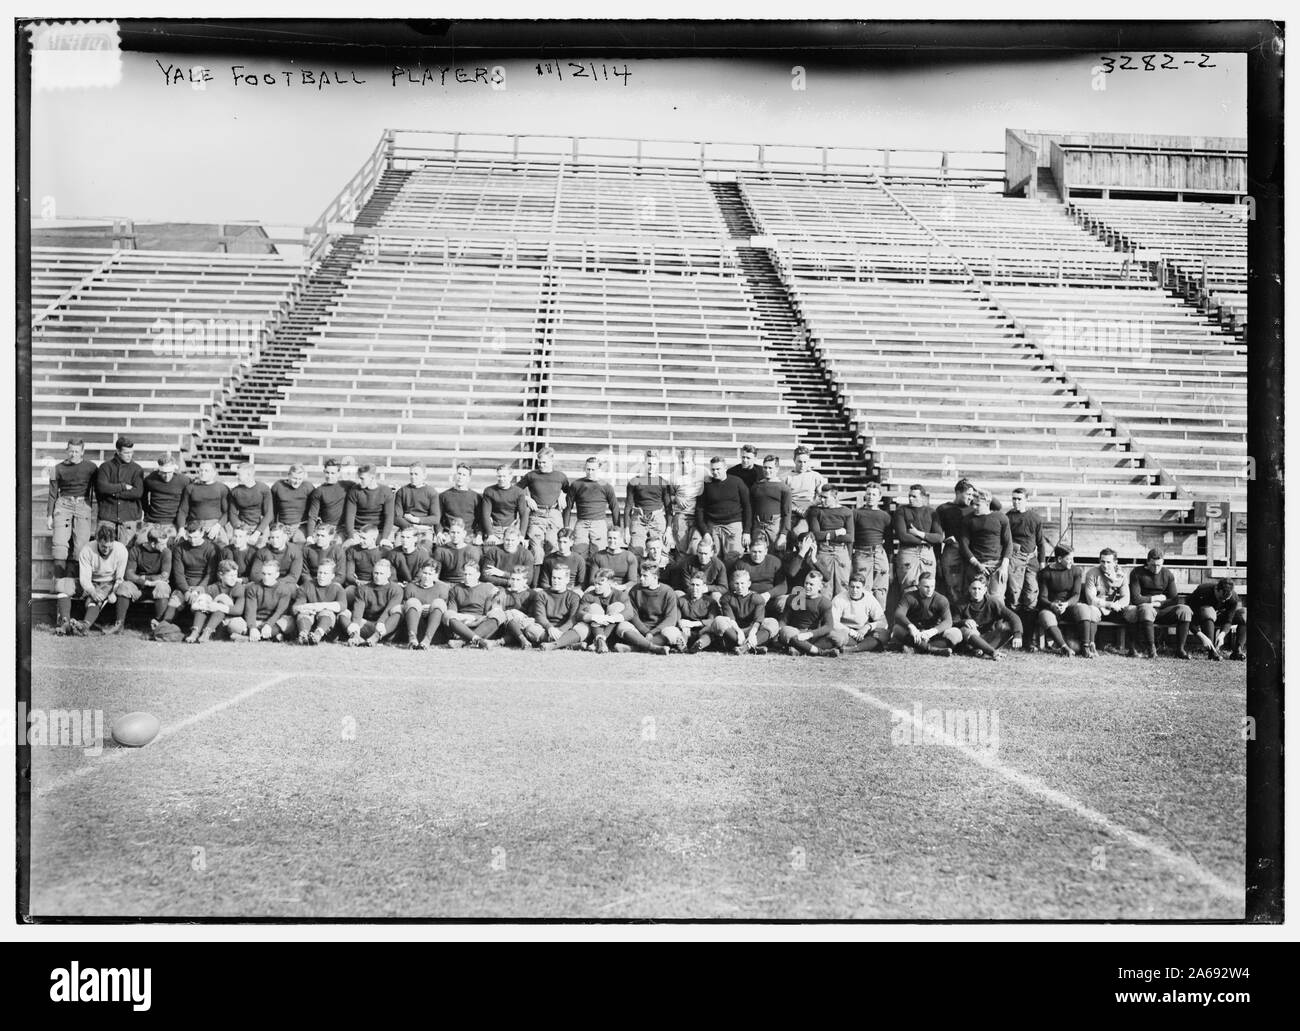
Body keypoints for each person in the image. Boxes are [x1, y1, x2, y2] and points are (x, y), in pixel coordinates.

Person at [53, 525, 130, 636]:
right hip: (89, 581)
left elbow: (119, 577)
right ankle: (65, 623)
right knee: (62, 585)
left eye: (109, 546)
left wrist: (113, 592)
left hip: (108, 583)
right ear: (97, 540)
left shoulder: (121, 550)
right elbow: (84, 578)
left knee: (97, 598)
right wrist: (92, 591)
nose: (106, 550)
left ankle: (84, 626)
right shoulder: (87, 549)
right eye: (104, 546)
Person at [1126, 548, 1192, 659]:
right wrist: (1155, 598)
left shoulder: (1167, 574)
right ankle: (1151, 649)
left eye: (1159, 565)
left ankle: (1180, 649)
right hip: (1144, 612)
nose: (1156, 568)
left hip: (1162, 609)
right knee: (1147, 608)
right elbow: (1136, 599)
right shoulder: (1137, 573)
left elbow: (1173, 599)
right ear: (1147, 562)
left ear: (1163, 563)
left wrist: (1158, 604)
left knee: (1185, 610)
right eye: (1153, 565)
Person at [47, 438, 98, 581]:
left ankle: (75, 582)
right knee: (59, 543)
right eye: (71, 451)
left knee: (81, 545)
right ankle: (58, 581)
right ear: (66, 450)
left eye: (77, 451)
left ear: (83, 452)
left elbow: (98, 490)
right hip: (63, 504)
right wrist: (49, 515)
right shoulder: (56, 468)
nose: (73, 454)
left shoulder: (91, 467)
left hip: (83, 505)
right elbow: (52, 493)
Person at [1035, 543, 1091, 658]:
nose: (1072, 562)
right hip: (1052, 607)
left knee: (1084, 608)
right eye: (1069, 559)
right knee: (1045, 615)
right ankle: (1064, 648)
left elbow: (1076, 594)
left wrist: (1066, 604)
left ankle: (1086, 647)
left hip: (1070, 606)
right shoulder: (1045, 573)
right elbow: (1042, 597)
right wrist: (1052, 605)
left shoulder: (1076, 571)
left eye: (1072, 558)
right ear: (1059, 559)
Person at [613, 565, 683, 654]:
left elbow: (671, 619)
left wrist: (652, 632)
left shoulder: (668, 591)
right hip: (640, 630)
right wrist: (646, 632)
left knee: (673, 633)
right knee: (622, 626)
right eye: (641, 575)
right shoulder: (635, 590)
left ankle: (633, 648)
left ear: (655, 577)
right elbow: (633, 615)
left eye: (645, 576)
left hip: (660, 630)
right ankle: (654, 648)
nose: (641, 579)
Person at [890, 571, 962, 655]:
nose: (930, 590)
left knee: (956, 633)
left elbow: (948, 621)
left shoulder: (941, 599)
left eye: (932, 586)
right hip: (915, 634)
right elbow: (899, 614)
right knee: (897, 629)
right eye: (926, 587)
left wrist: (932, 631)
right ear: (919, 586)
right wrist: (911, 627)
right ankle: (932, 650)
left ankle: (917, 649)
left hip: (932, 633)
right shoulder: (909, 596)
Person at [518, 447, 569, 562]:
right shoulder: (531, 475)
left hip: (554, 514)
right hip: (537, 515)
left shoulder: (560, 476)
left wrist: (563, 495)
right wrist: (527, 498)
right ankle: (537, 579)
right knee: (537, 549)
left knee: (554, 546)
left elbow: (569, 491)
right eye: (539, 462)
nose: (541, 465)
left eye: (544, 462)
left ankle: (552, 577)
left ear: (552, 461)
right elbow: (515, 490)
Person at [960, 488, 1012, 603]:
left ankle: (999, 621)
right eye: (973, 504)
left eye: (978, 505)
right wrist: (977, 564)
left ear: (987, 503)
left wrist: (1003, 566)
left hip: (997, 565)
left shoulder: (1001, 518)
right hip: (977, 565)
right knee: (975, 598)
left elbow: (1008, 543)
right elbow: (964, 545)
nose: (974, 507)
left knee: (996, 600)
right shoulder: (968, 520)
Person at [954, 574, 1023, 660]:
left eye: (980, 589)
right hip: (970, 639)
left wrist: (1017, 635)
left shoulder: (992, 602)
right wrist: (964, 622)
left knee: (1007, 627)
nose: (976, 591)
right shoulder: (961, 603)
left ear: (985, 590)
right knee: (965, 630)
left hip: (988, 637)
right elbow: (953, 621)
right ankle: (992, 652)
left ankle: (982, 651)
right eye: (974, 588)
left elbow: (1013, 616)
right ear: (969, 589)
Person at [696, 456, 751, 559]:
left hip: (733, 526)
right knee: (713, 558)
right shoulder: (706, 485)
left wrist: (747, 531)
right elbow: (699, 509)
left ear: (725, 468)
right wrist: (705, 532)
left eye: (718, 469)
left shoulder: (737, 482)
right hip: (713, 526)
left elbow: (747, 506)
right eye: (713, 469)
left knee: (734, 557)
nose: (715, 472)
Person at [714, 568, 780, 655]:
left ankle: (746, 647)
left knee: (772, 622)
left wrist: (752, 634)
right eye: (737, 583)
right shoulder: (727, 598)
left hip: (752, 629)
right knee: (718, 620)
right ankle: (751, 647)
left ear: (748, 584)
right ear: (733, 584)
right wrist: (739, 631)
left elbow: (758, 620)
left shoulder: (757, 598)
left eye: (742, 583)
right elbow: (731, 619)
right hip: (734, 630)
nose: (739, 587)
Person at [775, 568, 838, 657]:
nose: (807, 587)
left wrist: (809, 634)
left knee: (837, 637)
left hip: (812, 635)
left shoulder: (824, 602)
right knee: (786, 631)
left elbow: (829, 626)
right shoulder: (794, 598)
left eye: (811, 584)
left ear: (820, 587)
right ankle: (820, 652)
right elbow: (784, 619)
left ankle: (799, 649)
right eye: (806, 583)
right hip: (795, 633)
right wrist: (780, 628)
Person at [228, 558, 295, 643]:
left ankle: (247, 638)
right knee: (234, 624)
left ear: (277, 575)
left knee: (289, 622)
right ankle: (269, 637)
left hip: (274, 623)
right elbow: (250, 611)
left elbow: (279, 612)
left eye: (269, 574)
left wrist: (268, 625)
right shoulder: (253, 588)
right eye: (264, 574)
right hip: (256, 621)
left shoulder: (284, 589)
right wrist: (252, 627)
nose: (266, 577)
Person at [526, 562, 589, 651]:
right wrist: (549, 627)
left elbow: (573, 619)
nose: (555, 581)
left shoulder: (574, 597)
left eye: (559, 578)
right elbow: (540, 616)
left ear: (567, 580)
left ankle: (554, 645)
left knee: (583, 628)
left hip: (566, 629)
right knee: (530, 629)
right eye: (554, 577)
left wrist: (560, 630)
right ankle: (568, 644)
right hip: (546, 629)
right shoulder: (542, 594)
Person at [1006, 487, 1046, 622]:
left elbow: (1040, 542)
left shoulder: (1035, 518)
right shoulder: (1008, 517)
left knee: (1031, 593)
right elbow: (1004, 539)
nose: (1016, 502)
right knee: (1014, 592)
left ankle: (1028, 635)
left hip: (1031, 558)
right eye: (1014, 499)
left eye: (1019, 499)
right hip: (1015, 558)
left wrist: (1042, 562)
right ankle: (1015, 628)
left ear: (1026, 500)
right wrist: (1013, 546)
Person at [894, 484, 943, 594]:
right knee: (909, 587)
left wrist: (918, 533)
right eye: (909, 496)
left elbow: (939, 537)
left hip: (927, 553)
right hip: (908, 551)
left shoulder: (932, 512)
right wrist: (925, 540)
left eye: (914, 496)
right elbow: (903, 536)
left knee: (928, 587)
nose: (910, 499)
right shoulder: (902, 511)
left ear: (922, 497)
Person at [566, 456, 620, 557]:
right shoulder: (576, 484)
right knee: (578, 553)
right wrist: (566, 526)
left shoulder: (606, 486)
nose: (590, 472)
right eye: (588, 469)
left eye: (593, 470)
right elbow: (568, 507)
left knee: (599, 554)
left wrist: (617, 527)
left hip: (598, 523)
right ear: (585, 468)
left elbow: (615, 507)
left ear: (599, 469)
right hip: (582, 523)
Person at [94, 436, 145, 543]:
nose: (129, 455)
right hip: (107, 517)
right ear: (117, 451)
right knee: (103, 550)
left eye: (131, 452)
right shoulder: (105, 467)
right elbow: (102, 488)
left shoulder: (137, 469)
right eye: (126, 453)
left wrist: (113, 493)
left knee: (126, 553)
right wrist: (123, 486)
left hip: (128, 519)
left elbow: (137, 493)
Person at [807, 484, 854, 597]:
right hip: (824, 550)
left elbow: (849, 537)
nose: (822, 500)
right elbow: (816, 535)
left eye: (825, 497)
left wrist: (826, 534)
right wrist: (836, 533)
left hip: (841, 551)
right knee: (824, 587)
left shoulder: (847, 512)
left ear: (835, 496)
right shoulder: (816, 511)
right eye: (821, 497)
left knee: (843, 587)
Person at [120, 525, 174, 625]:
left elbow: (164, 576)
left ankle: (159, 624)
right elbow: (128, 574)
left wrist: (144, 577)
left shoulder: (166, 552)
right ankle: (119, 624)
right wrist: (146, 581)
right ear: (152, 544)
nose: (165, 546)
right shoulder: (136, 550)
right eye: (162, 544)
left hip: (156, 587)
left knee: (163, 587)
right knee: (124, 586)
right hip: (139, 586)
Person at [182, 558, 244, 644]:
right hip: (210, 620)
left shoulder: (238, 587)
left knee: (222, 600)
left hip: (226, 621)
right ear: (221, 575)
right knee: (203, 602)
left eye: (235, 575)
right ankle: (195, 632)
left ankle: (207, 632)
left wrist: (217, 606)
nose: (234, 578)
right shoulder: (213, 587)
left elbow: (238, 610)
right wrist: (204, 602)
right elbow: (196, 604)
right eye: (230, 576)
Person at [851, 481, 892, 609]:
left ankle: (879, 621)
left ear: (879, 497)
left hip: (879, 552)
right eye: (868, 494)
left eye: (874, 494)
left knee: (880, 589)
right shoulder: (856, 513)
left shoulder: (885, 516)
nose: (870, 497)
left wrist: (891, 563)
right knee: (863, 587)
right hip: (862, 552)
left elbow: (889, 540)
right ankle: (862, 618)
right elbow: (851, 536)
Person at [1082, 547, 1130, 655]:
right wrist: (1109, 604)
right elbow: (1091, 599)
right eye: (1102, 561)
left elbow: (1126, 598)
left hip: (1115, 609)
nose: (1105, 565)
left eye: (1108, 562)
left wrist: (1117, 605)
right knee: (1092, 610)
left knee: (1131, 611)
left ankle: (1132, 647)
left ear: (1115, 562)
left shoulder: (1121, 575)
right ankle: (1091, 645)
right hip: (1099, 607)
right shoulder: (1092, 573)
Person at [444, 560, 504, 648]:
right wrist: (466, 619)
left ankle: (462, 642)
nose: (467, 577)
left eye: (470, 574)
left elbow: (491, 612)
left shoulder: (488, 588)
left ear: (478, 575)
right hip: (462, 625)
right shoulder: (456, 589)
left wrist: (477, 619)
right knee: (447, 615)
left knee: (499, 615)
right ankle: (477, 640)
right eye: (465, 574)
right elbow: (452, 612)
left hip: (482, 624)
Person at [345, 558, 404, 646]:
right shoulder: (363, 589)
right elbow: (358, 608)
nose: (378, 576)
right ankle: (357, 637)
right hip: (367, 624)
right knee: (344, 614)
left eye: (381, 574)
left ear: (388, 575)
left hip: (385, 627)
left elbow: (389, 610)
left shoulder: (396, 589)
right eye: (376, 573)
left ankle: (374, 639)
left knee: (399, 612)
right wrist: (355, 624)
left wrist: (380, 623)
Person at [826, 572, 889, 654]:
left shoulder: (869, 598)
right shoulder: (839, 599)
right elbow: (833, 622)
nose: (854, 590)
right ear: (848, 586)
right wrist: (851, 632)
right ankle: (866, 646)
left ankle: (853, 649)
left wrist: (867, 627)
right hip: (846, 632)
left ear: (863, 588)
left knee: (884, 634)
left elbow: (883, 622)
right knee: (837, 637)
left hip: (863, 633)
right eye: (852, 587)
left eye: (858, 587)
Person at [624, 449, 674, 553]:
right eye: (649, 463)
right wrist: (626, 530)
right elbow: (628, 507)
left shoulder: (663, 483)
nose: (651, 466)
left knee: (660, 552)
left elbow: (669, 508)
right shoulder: (634, 482)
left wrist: (668, 529)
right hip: (639, 518)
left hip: (656, 519)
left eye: (654, 464)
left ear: (658, 464)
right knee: (637, 552)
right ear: (644, 463)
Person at [934, 479, 974, 602]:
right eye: (968, 494)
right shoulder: (943, 509)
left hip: (972, 550)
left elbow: (996, 506)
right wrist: (938, 559)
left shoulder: (974, 508)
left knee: (972, 585)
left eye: (972, 495)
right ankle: (955, 618)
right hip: (953, 549)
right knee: (952, 586)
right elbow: (937, 535)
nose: (971, 497)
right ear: (957, 492)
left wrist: (978, 491)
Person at [1189, 577, 1246, 661]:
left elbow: (1229, 619)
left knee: (1244, 614)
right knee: (1208, 611)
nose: (1222, 602)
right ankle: (1212, 651)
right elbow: (1188, 616)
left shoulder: (1233, 598)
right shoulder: (1203, 590)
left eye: (1225, 600)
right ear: (1216, 589)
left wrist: (1222, 634)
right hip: (1202, 618)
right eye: (1220, 598)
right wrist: (1201, 635)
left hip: (1220, 617)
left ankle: (1238, 650)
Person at [293, 559, 347, 645]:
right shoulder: (307, 585)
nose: (322, 576)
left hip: (327, 626)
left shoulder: (337, 588)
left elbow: (343, 605)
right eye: (320, 573)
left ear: (332, 576)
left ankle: (317, 635)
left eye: (325, 573)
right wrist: (307, 608)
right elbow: (295, 607)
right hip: (309, 622)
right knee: (304, 612)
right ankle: (303, 634)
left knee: (327, 612)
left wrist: (321, 605)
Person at [579, 567, 631, 654]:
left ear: (610, 584)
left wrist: (610, 618)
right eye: (595, 583)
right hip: (593, 630)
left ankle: (598, 642)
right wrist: (595, 617)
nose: (596, 586)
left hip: (613, 632)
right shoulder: (589, 595)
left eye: (600, 584)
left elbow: (630, 613)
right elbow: (579, 613)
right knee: (594, 608)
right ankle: (600, 642)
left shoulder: (620, 595)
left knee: (617, 607)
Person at [402, 559, 451, 650]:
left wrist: (431, 607)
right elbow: (405, 607)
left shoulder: (442, 588)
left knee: (438, 603)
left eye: (430, 574)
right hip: (415, 625)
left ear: (436, 575)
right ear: (420, 571)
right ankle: (412, 640)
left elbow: (445, 610)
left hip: (434, 628)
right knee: (412, 602)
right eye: (424, 573)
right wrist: (419, 607)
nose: (426, 577)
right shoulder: (411, 587)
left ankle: (426, 641)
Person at [178, 460, 230, 543]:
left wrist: (218, 526)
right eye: (201, 470)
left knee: (223, 547)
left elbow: (227, 512)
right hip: (194, 524)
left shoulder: (222, 488)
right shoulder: (190, 488)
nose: (203, 473)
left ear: (214, 473)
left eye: (206, 471)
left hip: (214, 525)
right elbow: (183, 511)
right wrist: (181, 528)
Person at [343, 464, 396, 546]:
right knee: (348, 547)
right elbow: (350, 515)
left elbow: (389, 516)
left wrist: (385, 537)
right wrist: (351, 537)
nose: (359, 482)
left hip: (378, 530)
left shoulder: (385, 491)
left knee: (385, 548)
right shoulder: (355, 491)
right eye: (359, 478)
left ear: (372, 477)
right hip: (359, 530)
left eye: (362, 479)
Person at [749, 455, 792, 554]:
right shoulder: (756, 486)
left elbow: (787, 513)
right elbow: (750, 510)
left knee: (776, 556)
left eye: (770, 468)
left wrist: (783, 534)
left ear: (777, 469)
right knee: (757, 554)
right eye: (765, 467)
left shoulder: (784, 488)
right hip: (758, 526)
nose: (767, 470)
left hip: (775, 527)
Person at [782, 446, 828, 538]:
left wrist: (809, 505)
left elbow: (822, 497)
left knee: (808, 533)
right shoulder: (786, 477)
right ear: (794, 460)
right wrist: (795, 508)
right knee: (790, 533)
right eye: (799, 461)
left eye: (805, 462)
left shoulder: (815, 476)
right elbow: (782, 498)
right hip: (791, 511)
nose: (802, 465)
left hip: (810, 510)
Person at [479, 464, 529, 544]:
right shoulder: (489, 491)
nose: (501, 479)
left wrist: (522, 535)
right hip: (495, 528)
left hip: (511, 529)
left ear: (510, 477)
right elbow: (485, 514)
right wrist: (490, 534)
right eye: (499, 476)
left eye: (504, 476)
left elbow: (523, 514)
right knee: (490, 552)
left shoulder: (518, 492)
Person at [226, 463, 273, 546]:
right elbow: (232, 514)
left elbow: (269, 514)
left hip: (260, 525)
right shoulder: (235, 491)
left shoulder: (263, 489)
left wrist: (257, 532)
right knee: (237, 546)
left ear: (249, 474)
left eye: (239, 474)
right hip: (242, 525)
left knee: (262, 549)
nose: (237, 477)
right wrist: (240, 528)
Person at [395, 462, 442, 544]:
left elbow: (435, 518)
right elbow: (396, 517)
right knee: (398, 546)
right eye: (411, 474)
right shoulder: (402, 491)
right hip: (406, 529)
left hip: (424, 530)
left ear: (424, 475)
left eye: (416, 474)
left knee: (424, 549)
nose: (413, 477)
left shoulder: (431, 492)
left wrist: (416, 520)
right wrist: (411, 527)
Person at [141, 452, 188, 536]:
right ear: (159, 471)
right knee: (141, 542)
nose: (167, 476)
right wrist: (147, 510)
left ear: (174, 470)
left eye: (169, 472)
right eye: (164, 473)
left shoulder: (183, 480)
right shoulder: (150, 480)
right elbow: (143, 497)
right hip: (153, 520)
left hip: (173, 521)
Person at [679, 572, 723, 653]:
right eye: (692, 584)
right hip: (686, 630)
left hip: (702, 630)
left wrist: (692, 623)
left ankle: (699, 645)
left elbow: (712, 620)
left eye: (698, 585)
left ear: (703, 587)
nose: (695, 588)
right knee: (680, 633)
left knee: (707, 634)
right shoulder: (682, 600)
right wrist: (683, 625)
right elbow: (675, 616)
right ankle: (682, 646)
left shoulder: (710, 602)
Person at [271, 464, 314, 542]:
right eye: (294, 478)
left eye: (300, 479)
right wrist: (273, 526)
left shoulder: (308, 487)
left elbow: (314, 508)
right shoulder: (278, 486)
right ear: (288, 475)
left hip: (301, 525)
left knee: (299, 540)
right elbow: (273, 509)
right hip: (283, 525)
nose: (297, 481)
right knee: (278, 542)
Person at [439, 464, 482, 541]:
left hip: (468, 535)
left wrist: (479, 534)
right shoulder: (444, 496)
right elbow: (438, 518)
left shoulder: (476, 497)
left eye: (464, 475)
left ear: (469, 478)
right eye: (459, 474)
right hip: (449, 535)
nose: (460, 477)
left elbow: (480, 520)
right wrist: (439, 533)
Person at [307, 458, 349, 536]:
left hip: (342, 527)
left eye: (333, 473)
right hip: (326, 527)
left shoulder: (347, 486)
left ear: (339, 473)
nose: (329, 476)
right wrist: (309, 536)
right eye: (327, 472)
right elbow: (313, 515)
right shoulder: (319, 491)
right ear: (324, 472)